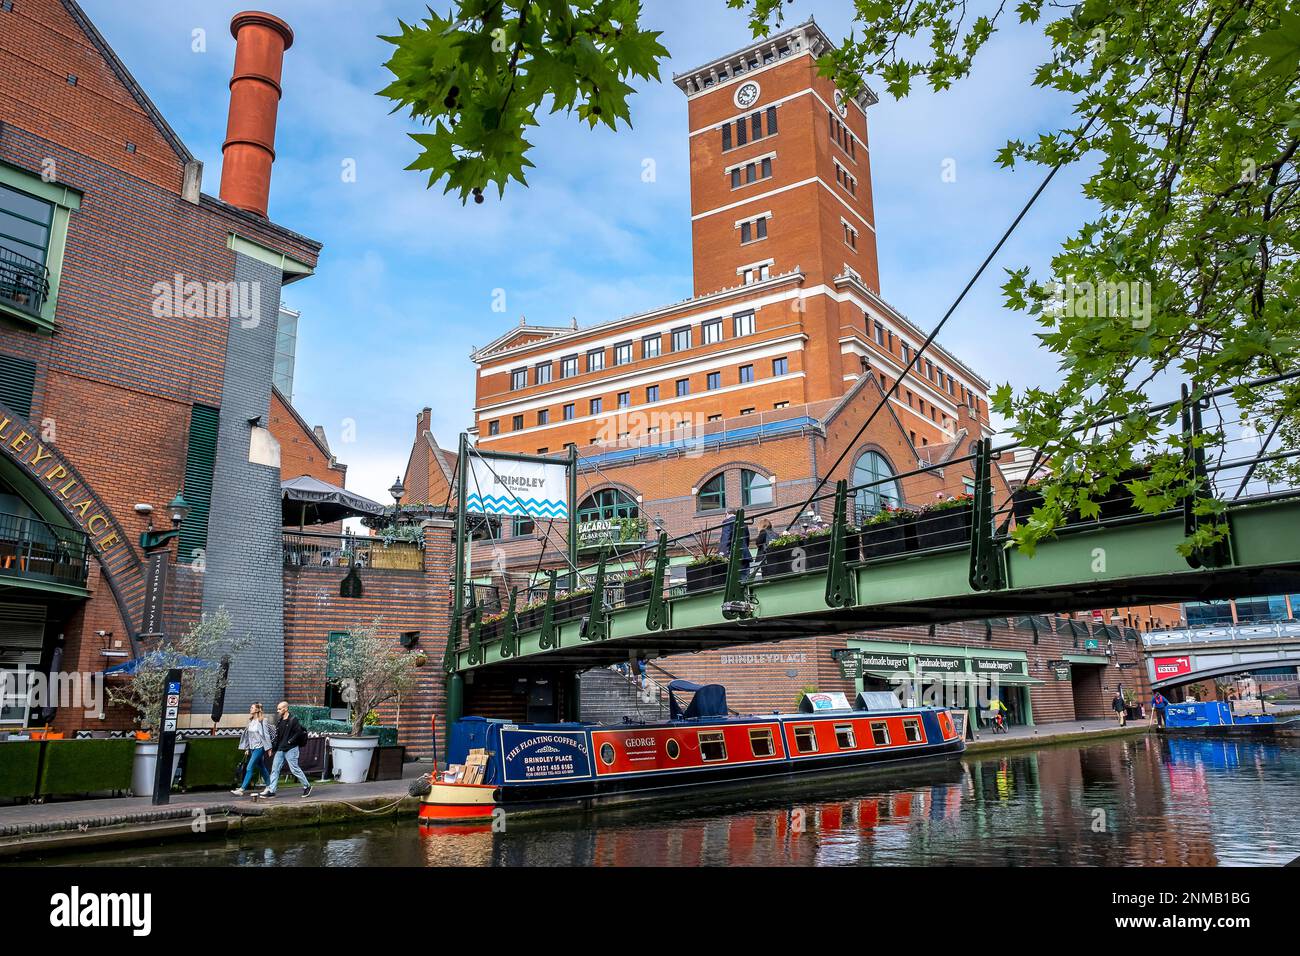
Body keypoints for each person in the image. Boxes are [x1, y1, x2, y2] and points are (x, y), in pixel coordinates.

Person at [259, 700, 312, 798]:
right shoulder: (280, 720)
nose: (278, 710)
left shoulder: (293, 719)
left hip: (291, 748)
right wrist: (274, 746)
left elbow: (299, 732)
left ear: (286, 708)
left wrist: (290, 741)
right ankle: (272, 790)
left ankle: (307, 786)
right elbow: (278, 735)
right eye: (277, 709)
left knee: (294, 769)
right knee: (275, 769)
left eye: (279, 709)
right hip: (280, 748)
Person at [231, 702, 273, 795]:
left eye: (252, 708)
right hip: (252, 748)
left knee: (249, 767)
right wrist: (247, 748)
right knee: (261, 767)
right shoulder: (251, 721)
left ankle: (242, 789)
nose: (250, 709)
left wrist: (269, 748)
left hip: (260, 748)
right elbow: (248, 737)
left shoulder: (262, 721)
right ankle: (269, 786)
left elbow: (266, 735)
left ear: (257, 710)